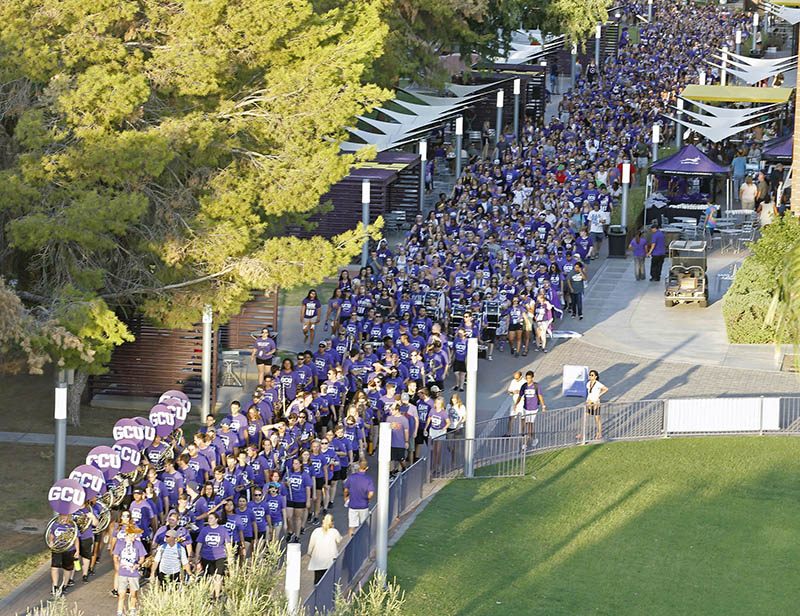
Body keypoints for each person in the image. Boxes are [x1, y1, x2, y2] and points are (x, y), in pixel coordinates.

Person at [194, 510, 231, 599]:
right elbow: (199, 543)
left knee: (218, 577)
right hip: (206, 556)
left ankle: (217, 597)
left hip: (220, 556)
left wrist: (230, 556)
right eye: (208, 518)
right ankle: (211, 595)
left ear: (216, 519)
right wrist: (197, 555)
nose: (209, 520)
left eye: (211, 518)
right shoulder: (205, 530)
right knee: (209, 577)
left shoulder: (223, 530)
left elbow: (228, 543)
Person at [112, 524, 147, 616]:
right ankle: (119, 612)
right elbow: (115, 556)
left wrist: (138, 564)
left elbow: (142, 557)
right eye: (132, 535)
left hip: (134, 573)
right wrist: (117, 566)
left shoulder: (138, 544)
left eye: (135, 535)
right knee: (121, 594)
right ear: (127, 534)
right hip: (123, 572)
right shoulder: (120, 543)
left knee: (133, 594)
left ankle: (132, 611)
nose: (134, 537)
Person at [49, 513, 79, 597]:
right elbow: (52, 534)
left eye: (65, 515)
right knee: (54, 567)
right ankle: (55, 586)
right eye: (62, 515)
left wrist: (77, 551)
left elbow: (76, 538)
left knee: (67, 568)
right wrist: (51, 541)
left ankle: (64, 585)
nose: (63, 517)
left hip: (69, 550)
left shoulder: (73, 525)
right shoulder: (56, 524)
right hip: (58, 549)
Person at [307, 514, 343, 584]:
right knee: (329, 580)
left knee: (317, 579)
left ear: (323, 521)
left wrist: (310, 553)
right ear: (332, 522)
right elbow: (339, 540)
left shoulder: (316, 531)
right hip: (330, 559)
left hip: (318, 559)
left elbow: (311, 545)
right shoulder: (334, 532)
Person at [343, 459, 375, 538]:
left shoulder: (351, 477)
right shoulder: (368, 479)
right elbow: (371, 493)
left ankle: (350, 544)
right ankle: (364, 542)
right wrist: (366, 498)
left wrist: (346, 497)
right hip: (363, 506)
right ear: (366, 468)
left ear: (358, 467)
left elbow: (346, 490)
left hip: (352, 505)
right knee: (364, 526)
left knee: (351, 527)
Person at [516, 370, 546, 448]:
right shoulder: (524, 386)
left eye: (529, 378)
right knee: (525, 424)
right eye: (527, 378)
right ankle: (535, 439)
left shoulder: (536, 386)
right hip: (526, 408)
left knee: (530, 425)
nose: (528, 380)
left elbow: (540, 396)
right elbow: (520, 396)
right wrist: (516, 404)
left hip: (533, 408)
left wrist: (543, 406)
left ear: (532, 378)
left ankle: (526, 442)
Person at [578, 369, 609, 441]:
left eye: (592, 375)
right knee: (585, 418)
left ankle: (599, 433)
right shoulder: (588, 383)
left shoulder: (598, 384)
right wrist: (587, 400)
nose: (590, 376)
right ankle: (581, 433)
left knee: (597, 418)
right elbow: (589, 393)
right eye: (590, 375)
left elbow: (606, 389)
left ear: (595, 376)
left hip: (595, 402)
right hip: (589, 402)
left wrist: (599, 396)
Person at [506, 370, 525, 435]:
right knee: (511, 417)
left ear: (521, 376)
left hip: (522, 402)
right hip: (514, 402)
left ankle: (523, 432)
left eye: (517, 378)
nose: (516, 379)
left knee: (523, 418)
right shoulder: (513, 381)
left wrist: (519, 391)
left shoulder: (524, 382)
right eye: (515, 378)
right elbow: (509, 391)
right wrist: (513, 392)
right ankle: (508, 433)